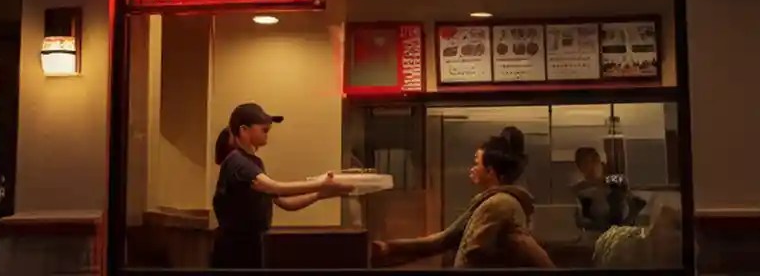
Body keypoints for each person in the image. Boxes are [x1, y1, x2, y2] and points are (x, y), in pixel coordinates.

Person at [371, 127, 554, 269]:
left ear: (490, 171)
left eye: (477, 163)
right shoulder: (493, 202)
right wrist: (390, 248)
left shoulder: (499, 204)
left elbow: (473, 255)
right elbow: (444, 240)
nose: (472, 169)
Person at [211, 102, 353, 269]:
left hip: (252, 246)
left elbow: (285, 202)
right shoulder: (237, 162)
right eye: (263, 129)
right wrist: (320, 184)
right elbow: (275, 187)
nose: (267, 132)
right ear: (244, 130)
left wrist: (322, 193)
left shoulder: (253, 163)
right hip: (234, 251)